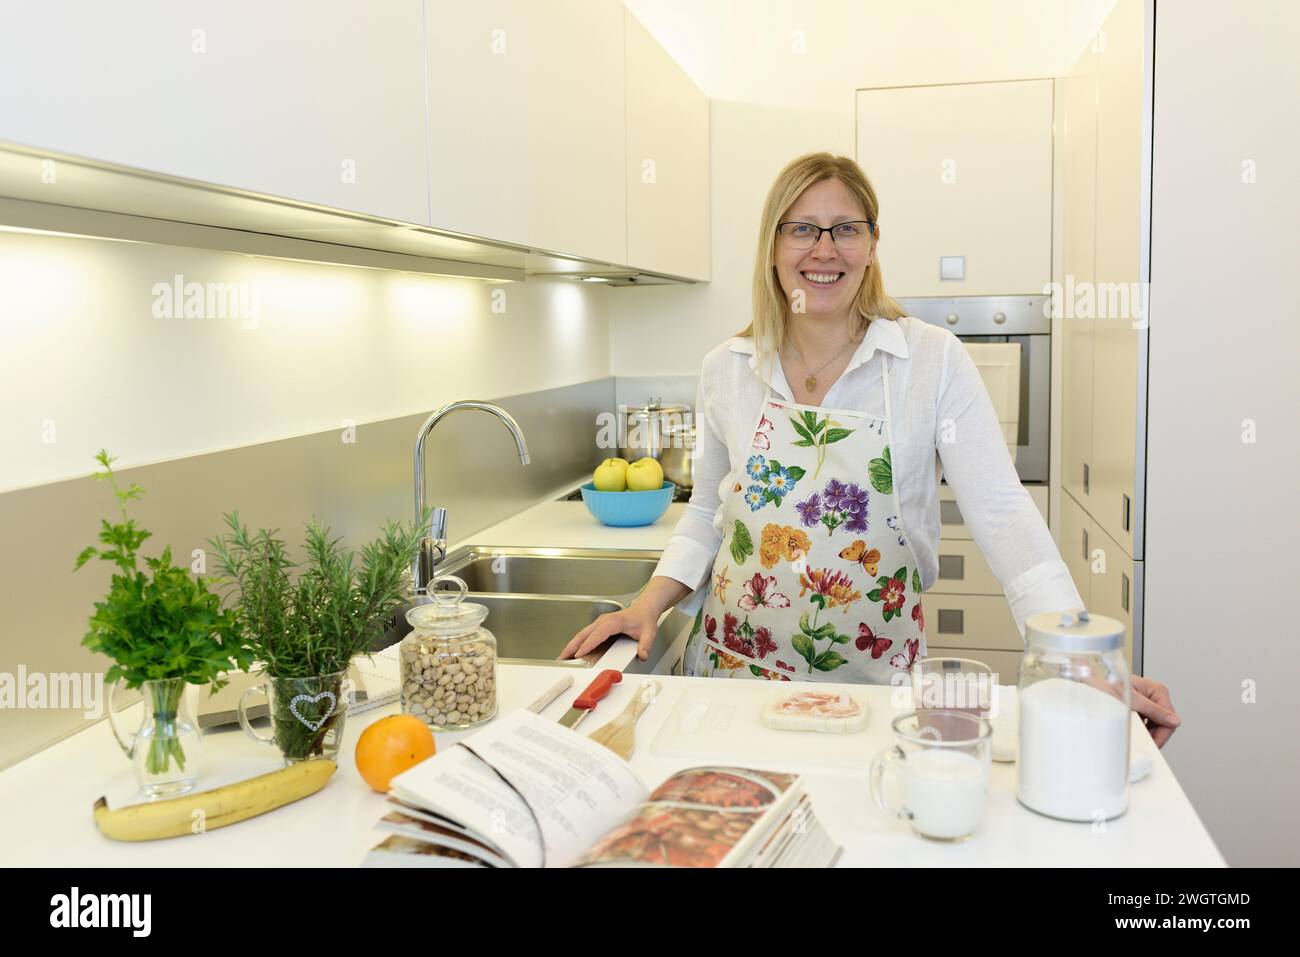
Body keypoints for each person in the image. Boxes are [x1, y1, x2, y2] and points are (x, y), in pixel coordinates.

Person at [561, 152, 1180, 747]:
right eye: (803, 228)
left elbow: (1003, 512)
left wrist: (1074, 661)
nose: (824, 249)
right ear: (772, 246)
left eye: (846, 230)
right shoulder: (727, 368)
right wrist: (647, 605)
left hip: (876, 690)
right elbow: (706, 515)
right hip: (732, 680)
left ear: (872, 244)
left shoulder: (930, 362)